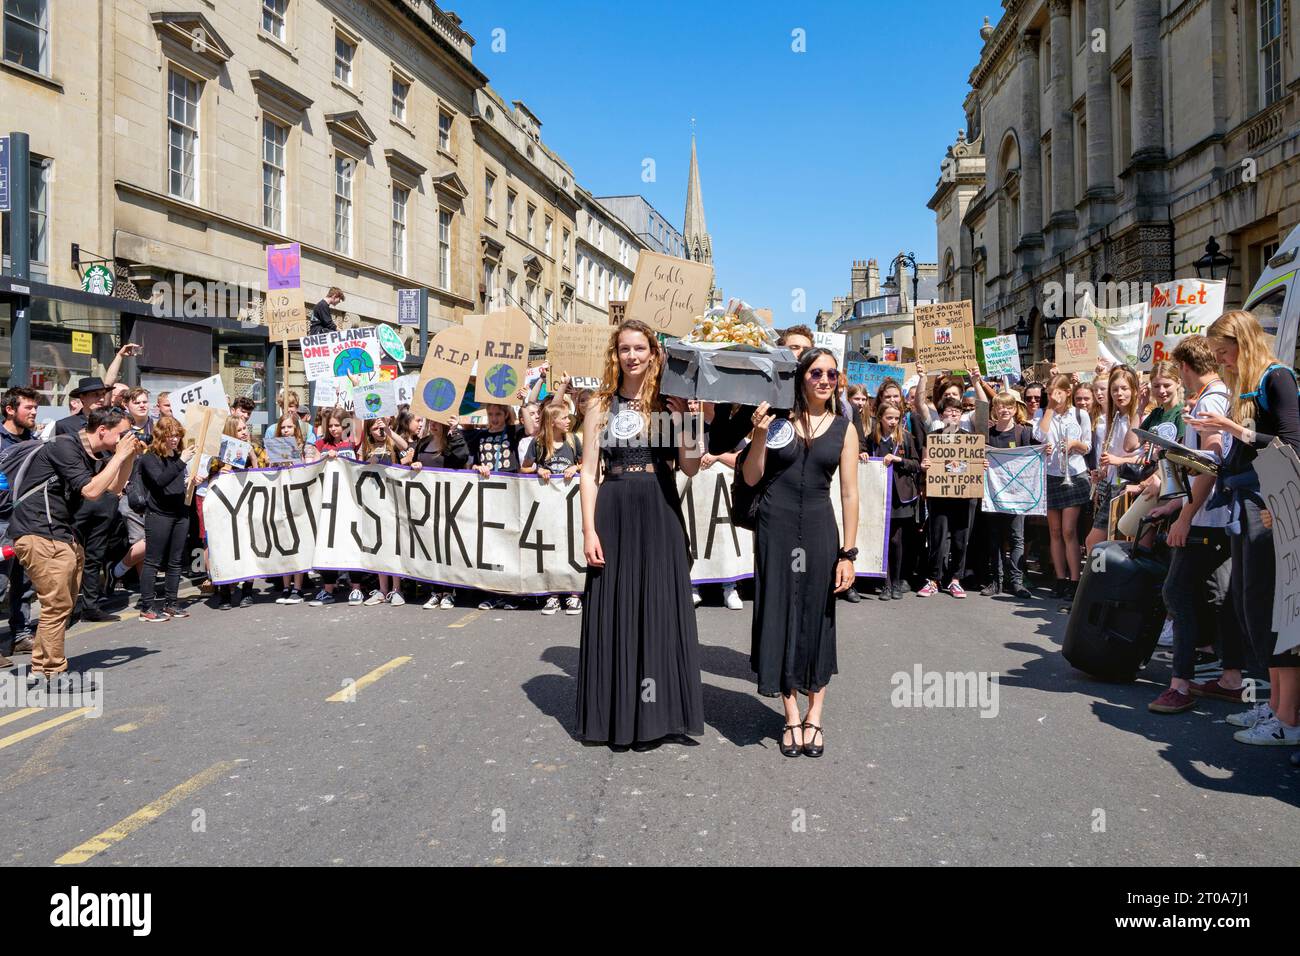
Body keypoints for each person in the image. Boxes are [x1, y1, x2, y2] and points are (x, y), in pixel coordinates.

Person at [577, 318, 704, 749]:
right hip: (614, 504)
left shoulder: (665, 405)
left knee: (658, 605)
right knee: (615, 604)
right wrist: (588, 530)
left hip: (659, 503)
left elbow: (688, 467)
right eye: (624, 349)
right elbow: (589, 473)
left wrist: (688, 420)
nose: (632, 356)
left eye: (640, 348)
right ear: (615, 355)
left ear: (654, 353)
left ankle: (658, 714)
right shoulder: (600, 403)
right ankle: (615, 714)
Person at [1189, 310, 1300, 745]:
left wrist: (1231, 427)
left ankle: (1288, 718)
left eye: (1224, 352)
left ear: (1244, 341)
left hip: (1274, 503)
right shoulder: (1248, 386)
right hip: (1251, 500)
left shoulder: (1278, 379)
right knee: (1252, 604)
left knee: (1273, 606)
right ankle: (1276, 707)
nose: (1221, 362)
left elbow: (1292, 445)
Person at [744, 347, 858, 758]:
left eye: (831, 374)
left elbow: (849, 492)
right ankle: (791, 715)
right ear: (801, 377)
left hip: (819, 532)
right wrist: (757, 435)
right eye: (815, 373)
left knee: (817, 616)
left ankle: (815, 716)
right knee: (779, 615)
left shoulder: (844, 427)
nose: (824, 380)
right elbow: (752, 476)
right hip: (774, 530)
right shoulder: (776, 420)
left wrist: (849, 552)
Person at [1148, 335, 1245, 714]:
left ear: (1185, 368)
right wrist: (1175, 506)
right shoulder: (1219, 395)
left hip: (1208, 518)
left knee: (1177, 593)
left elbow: (1211, 461)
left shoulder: (1210, 399)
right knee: (1222, 599)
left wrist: (1185, 517)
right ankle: (1232, 678)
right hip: (1219, 514)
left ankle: (1180, 685)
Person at [10, 408, 138, 685]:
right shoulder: (65, 446)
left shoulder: (96, 454)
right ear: (102, 430)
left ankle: (38, 669)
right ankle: (54, 672)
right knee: (56, 604)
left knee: (61, 605)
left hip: (61, 534)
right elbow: (91, 491)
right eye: (121, 434)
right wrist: (118, 455)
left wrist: (128, 456)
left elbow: (113, 489)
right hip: (38, 531)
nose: (124, 438)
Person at [1035, 374, 1092, 604]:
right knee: (1055, 531)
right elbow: (1038, 436)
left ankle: (1074, 580)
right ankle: (1059, 579)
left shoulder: (1080, 414)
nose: (1053, 396)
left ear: (1068, 392)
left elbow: (1088, 446)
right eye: (1049, 392)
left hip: (1074, 473)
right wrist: (1049, 408)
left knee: (1069, 530)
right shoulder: (1043, 413)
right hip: (1051, 474)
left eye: (1057, 392)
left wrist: (1073, 444)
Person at [524, 403, 584, 616]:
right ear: (552, 422)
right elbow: (524, 467)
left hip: (570, 505)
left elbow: (586, 464)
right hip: (547, 505)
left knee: (572, 546)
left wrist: (574, 467)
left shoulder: (573, 441)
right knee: (551, 547)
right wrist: (538, 469)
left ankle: (574, 593)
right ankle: (553, 594)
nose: (569, 421)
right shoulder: (538, 444)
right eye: (565, 418)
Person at [861, 393, 921, 601]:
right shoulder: (872, 439)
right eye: (889, 418)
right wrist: (864, 456)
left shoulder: (905, 437)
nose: (893, 422)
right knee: (882, 540)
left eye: (896, 418)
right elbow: (863, 457)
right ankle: (884, 584)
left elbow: (917, 464)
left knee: (897, 541)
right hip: (878, 494)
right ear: (880, 418)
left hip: (900, 497)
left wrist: (898, 459)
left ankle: (896, 582)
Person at [136, 416, 196, 622]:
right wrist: (181, 462)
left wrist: (191, 480)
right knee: (153, 561)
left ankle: (171, 603)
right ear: (160, 435)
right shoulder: (149, 458)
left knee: (175, 561)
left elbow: (176, 483)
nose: (175, 439)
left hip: (180, 513)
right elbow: (161, 481)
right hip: (159, 514)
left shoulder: (178, 456)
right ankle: (147, 606)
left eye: (178, 435)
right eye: (170, 435)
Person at [917, 396, 976, 599]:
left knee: (961, 539)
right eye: (948, 412)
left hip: (962, 496)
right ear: (941, 416)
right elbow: (926, 461)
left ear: (961, 416)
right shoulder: (932, 436)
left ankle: (955, 580)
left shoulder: (970, 438)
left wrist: (980, 466)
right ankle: (934, 579)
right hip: (939, 496)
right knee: (938, 538)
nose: (952, 415)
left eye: (956, 412)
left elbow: (973, 465)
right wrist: (925, 468)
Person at [411, 417, 470, 610]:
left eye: (438, 421)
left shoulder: (453, 440)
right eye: (432, 421)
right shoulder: (424, 442)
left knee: (447, 548)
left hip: (448, 501)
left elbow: (461, 458)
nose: (434, 425)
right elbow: (414, 464)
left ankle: (449, 591)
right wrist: (416, 466)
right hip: (427, 503)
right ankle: (435, 591)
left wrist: (454, 432)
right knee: (431, 547)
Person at [982, 390, 1036, 598]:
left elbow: (1035, 456)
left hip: (1017, 494)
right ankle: (996, 581)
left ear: (1015, 409)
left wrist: (1044, 451)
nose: (1004, 409)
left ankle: (1016, 582)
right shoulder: (988, 434)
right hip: (993, 493)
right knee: (994, 538)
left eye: (1008, 406)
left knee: (1016, 538)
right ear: (994, 410)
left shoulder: (1024, 433)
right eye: (999, 406)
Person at [0, 386, 39, 663]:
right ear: (10, 409)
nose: (34, 412)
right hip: (1, 520)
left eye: (35, 407)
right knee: (0, 582)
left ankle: (21, 634)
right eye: (29, 407)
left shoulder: (33, 440)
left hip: (25, 519)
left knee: (23, 581)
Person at [1086, 365, 1143, 553]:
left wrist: (1118, 461)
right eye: (1115, 389)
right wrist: (1102, 472)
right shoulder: (1116, 416)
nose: (1119, 394)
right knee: (1093, 543)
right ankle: (1102, 582)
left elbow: (1149, 458)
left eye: (1124, 388)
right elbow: (1112, 454)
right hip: (1112, 485)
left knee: (1122, 545)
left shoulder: (1142, 416)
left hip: (1131, 486)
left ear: (1134, 389)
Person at [358, 416, 413, 606]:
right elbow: (356, 470)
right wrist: (368, 462)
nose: (378, 432)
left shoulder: (391, 442)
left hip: (393, 499)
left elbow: (405, 446)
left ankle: (397, 589)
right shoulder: (365, 447)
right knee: (379, 544)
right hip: (374, 501)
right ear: (369, 431)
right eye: (374, 429)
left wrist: (388, 430)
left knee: (394, 544)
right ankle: (382, 590)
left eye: (379, 428)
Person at [108, 386, 154, 602]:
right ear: (126, 406)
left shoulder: (158, 426)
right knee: (141, 540)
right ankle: (147, 588)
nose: (143, 405)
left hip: (156, 492)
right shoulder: (122, 429)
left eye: (145, 401)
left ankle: (119, 570)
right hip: (130, 493)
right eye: (137, 402)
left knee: (152, 540)